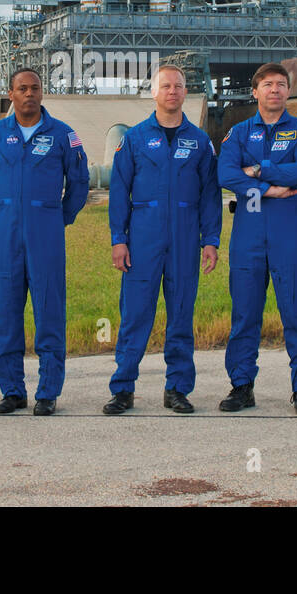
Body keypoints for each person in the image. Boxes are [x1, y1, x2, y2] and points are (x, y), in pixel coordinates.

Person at [103, 64, 221, 415]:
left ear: (186, 93)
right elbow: (119, 192)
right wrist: (118, 239)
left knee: (181, 316)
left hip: (184, 239)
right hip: (143, 239)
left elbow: (210, 196)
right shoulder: (135, 139)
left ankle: (178, 389)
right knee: (135, 316)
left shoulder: (199, 141)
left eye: (179, 86)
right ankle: (123, 389)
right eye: (166, 86)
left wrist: (210, 240)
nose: (172, 91)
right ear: (154, 92)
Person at [0, 68, 90, 416]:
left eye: (35, 88)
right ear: (11, 93)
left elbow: (80, 182)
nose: (29, 94)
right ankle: (12, 391)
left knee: (49, 311)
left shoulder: (62, 135)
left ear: (42, 92)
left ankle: (47, 392)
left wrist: (59, 216)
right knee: (6, 313)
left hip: (46, 234)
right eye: (22, 88)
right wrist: (0, 213)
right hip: (7, 235)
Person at [216, 62, 297, 415]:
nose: (274, 90)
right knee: (245, 313)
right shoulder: (239, 132)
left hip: (288, 232)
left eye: (281, 84)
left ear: (289, 91)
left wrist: (259, 170)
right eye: (267, 84)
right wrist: (269, 190)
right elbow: (226, 173)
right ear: (255, 91)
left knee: (296, 310)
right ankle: (242, 386)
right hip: (249, 232)